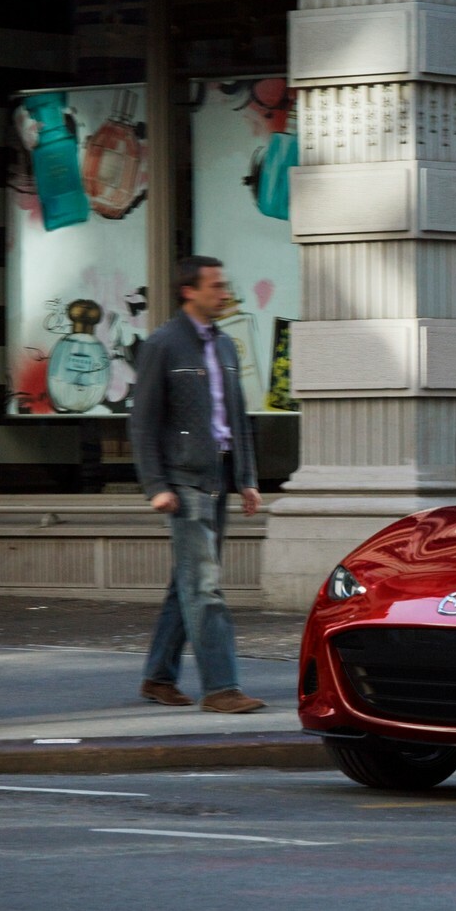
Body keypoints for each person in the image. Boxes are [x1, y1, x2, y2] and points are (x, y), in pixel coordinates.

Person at [130, 256, 265, 713]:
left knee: (186, 583)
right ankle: (221, 688)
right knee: (204, 586)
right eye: (215, 286)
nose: (223, 293)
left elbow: (237, 419)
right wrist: (156, 486)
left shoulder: (226, 346)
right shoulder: (163, 345)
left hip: (220, 479)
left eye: (224, 286)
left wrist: (246, 479)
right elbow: (143, 424)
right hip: (183, 483)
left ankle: (158, 677)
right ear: (189, 291)